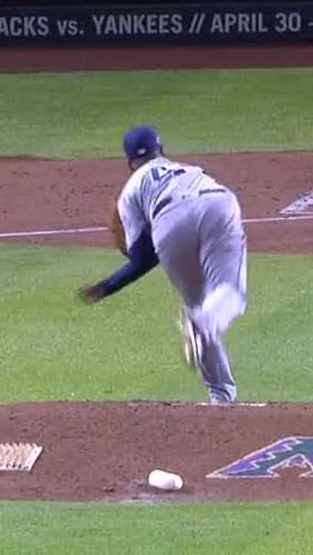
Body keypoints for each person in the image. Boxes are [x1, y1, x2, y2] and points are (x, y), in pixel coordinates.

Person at [77, 126, 249, 406]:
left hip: (168, 224)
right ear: (162, 150)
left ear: (129, 162)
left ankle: (220, 393)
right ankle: (206, 342)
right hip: (216, 204)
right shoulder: (188, 169)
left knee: (200, 307)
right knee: (227, 295)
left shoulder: (130, 190)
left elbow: (143, 258)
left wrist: (108, 286)